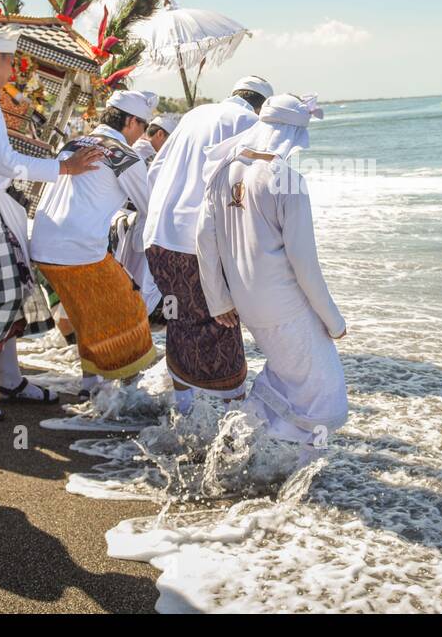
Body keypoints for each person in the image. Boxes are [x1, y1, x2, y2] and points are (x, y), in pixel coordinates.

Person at [0, 25, 104, 422]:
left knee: (5, 291)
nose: (12, 71)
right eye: (10, 62)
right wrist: (65, 167)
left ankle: (10, 380)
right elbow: (5, 163)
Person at [197, 94, 346, 457]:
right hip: (286, 307)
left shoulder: (222, 170)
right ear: (289, 134)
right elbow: (303, 263)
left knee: (285, 378)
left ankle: (240, 439)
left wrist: (219, 300)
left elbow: (205, 239)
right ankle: (297, 474)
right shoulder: (287, 179)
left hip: (248, 307)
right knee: (325, 397)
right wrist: (333, 320)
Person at [144, 75, 272, 411]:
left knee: (181, 321)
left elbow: (154, 172)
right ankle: (233, 425)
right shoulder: (249, 123)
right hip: (196, 243)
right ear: (261, 107)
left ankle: (183, 410)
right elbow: (252, 188)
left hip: (158, 237)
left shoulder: (193, 116)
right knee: (223, 324)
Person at [31, 89, 158, 396]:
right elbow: (149, 207)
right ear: (130, 121)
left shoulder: (73, 143)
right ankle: (130, 392)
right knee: (131, 314)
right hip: (78, 250)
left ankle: (92, 385)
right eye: (142, 125)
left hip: (42, 245)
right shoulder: (124, 156)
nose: (142, 133)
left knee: (86, 316)